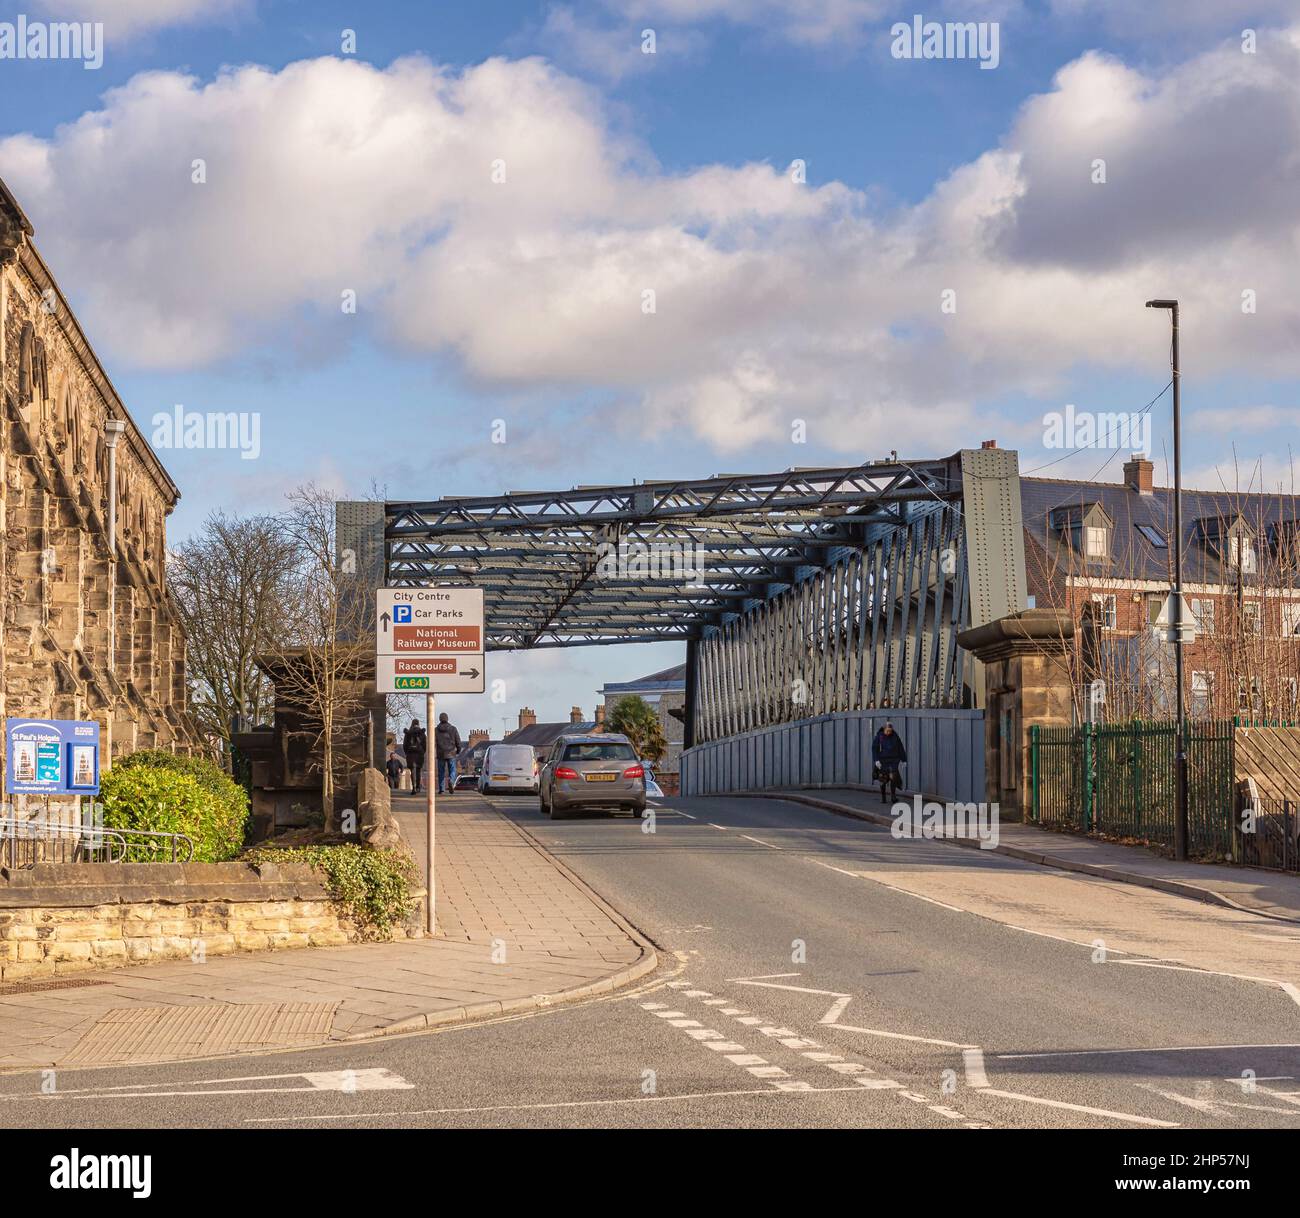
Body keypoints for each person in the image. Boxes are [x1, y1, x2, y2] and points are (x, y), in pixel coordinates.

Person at [871, 722, 907, 803]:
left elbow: (900, 747)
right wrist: (876, 760)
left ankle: (893, 797)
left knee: (893, 777)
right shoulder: (879, 736)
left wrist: (904, 759)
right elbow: (874, 748)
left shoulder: (895, 736)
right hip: (883, 760)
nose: (889, 733)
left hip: (894, 760)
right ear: (884, 729)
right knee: (883, 779)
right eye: (887, 731)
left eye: (890, 731)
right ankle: (883, 797)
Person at [434, 712, 463, 795]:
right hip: (451, 753)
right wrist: (458, 750)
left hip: (440, 753)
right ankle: (451, 780)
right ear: (447, 719)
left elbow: (432, 742)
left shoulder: (436, 730)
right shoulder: (453, 729)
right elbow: (458, 741)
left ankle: (442, 789)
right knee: (452, 770)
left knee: (441, 772)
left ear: (440, 719)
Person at [403, 718, 427, 795]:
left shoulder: (408, 733)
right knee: (418, 771)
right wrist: (422, 752)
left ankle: (413, 787)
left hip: (410, 754)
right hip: (419, 754)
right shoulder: (422, 733)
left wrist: (407, 753)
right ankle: (418, 787)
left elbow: (405, 745)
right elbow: (424, 745)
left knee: (412, 771)